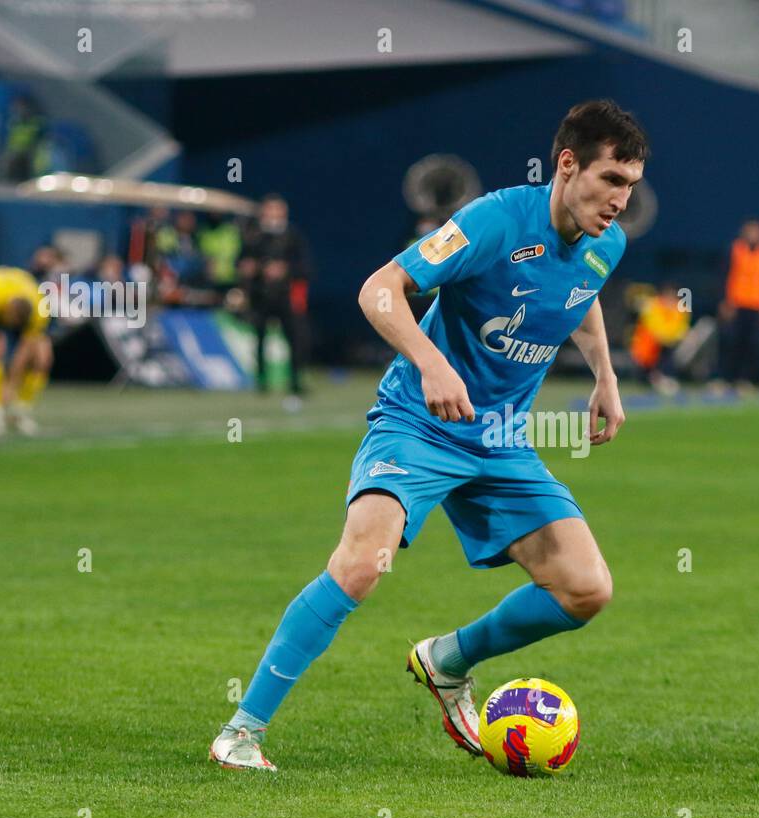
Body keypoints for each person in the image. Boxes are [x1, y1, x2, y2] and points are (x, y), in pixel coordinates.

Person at [209, 99, 648, 771]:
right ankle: (242, 732)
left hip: (500, 439)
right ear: (567, 165)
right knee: (360, 565)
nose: (620, 200)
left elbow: (577, 296)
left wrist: (605, 375)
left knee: (587, 588)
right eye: (611, 180)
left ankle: (448, 661)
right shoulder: (494, 220)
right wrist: (432, 361)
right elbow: (379, 289)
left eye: (630, 186)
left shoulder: (606, 244)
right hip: (419, 423)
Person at [238, 195, 310, 407]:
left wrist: (284, 270)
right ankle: (261, 381)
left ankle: (295, 381)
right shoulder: (254, 236)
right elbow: (242, 262)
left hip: (286, 296)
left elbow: (305, 266)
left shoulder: (292, 236)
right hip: (261, 296)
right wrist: (252, 269)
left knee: (294, 338)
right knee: (259, 337)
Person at [0, 265, 52, 436]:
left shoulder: (40, 308)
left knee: (43, 358)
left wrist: (10, 386)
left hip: (23, 293)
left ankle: (20, 410)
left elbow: (25, 349)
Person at [716, 218, 759, 393]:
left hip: (758, 305)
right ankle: (725, 378)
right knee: (731, 342)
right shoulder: (735, 249)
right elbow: (723, 276)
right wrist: (724, 301)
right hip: (736, 304)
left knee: (753, 345)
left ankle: (745, 379)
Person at [630, 282, 689, 395]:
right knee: (659, 344)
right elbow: (655, 329)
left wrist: (671, 336)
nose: (669, 300)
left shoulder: (680, 308)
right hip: (646, 351)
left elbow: (680, 329)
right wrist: (669, 336)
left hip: (667, 345)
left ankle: (665, 377)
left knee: (673, 344)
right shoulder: (652, 306)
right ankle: (657, 377)